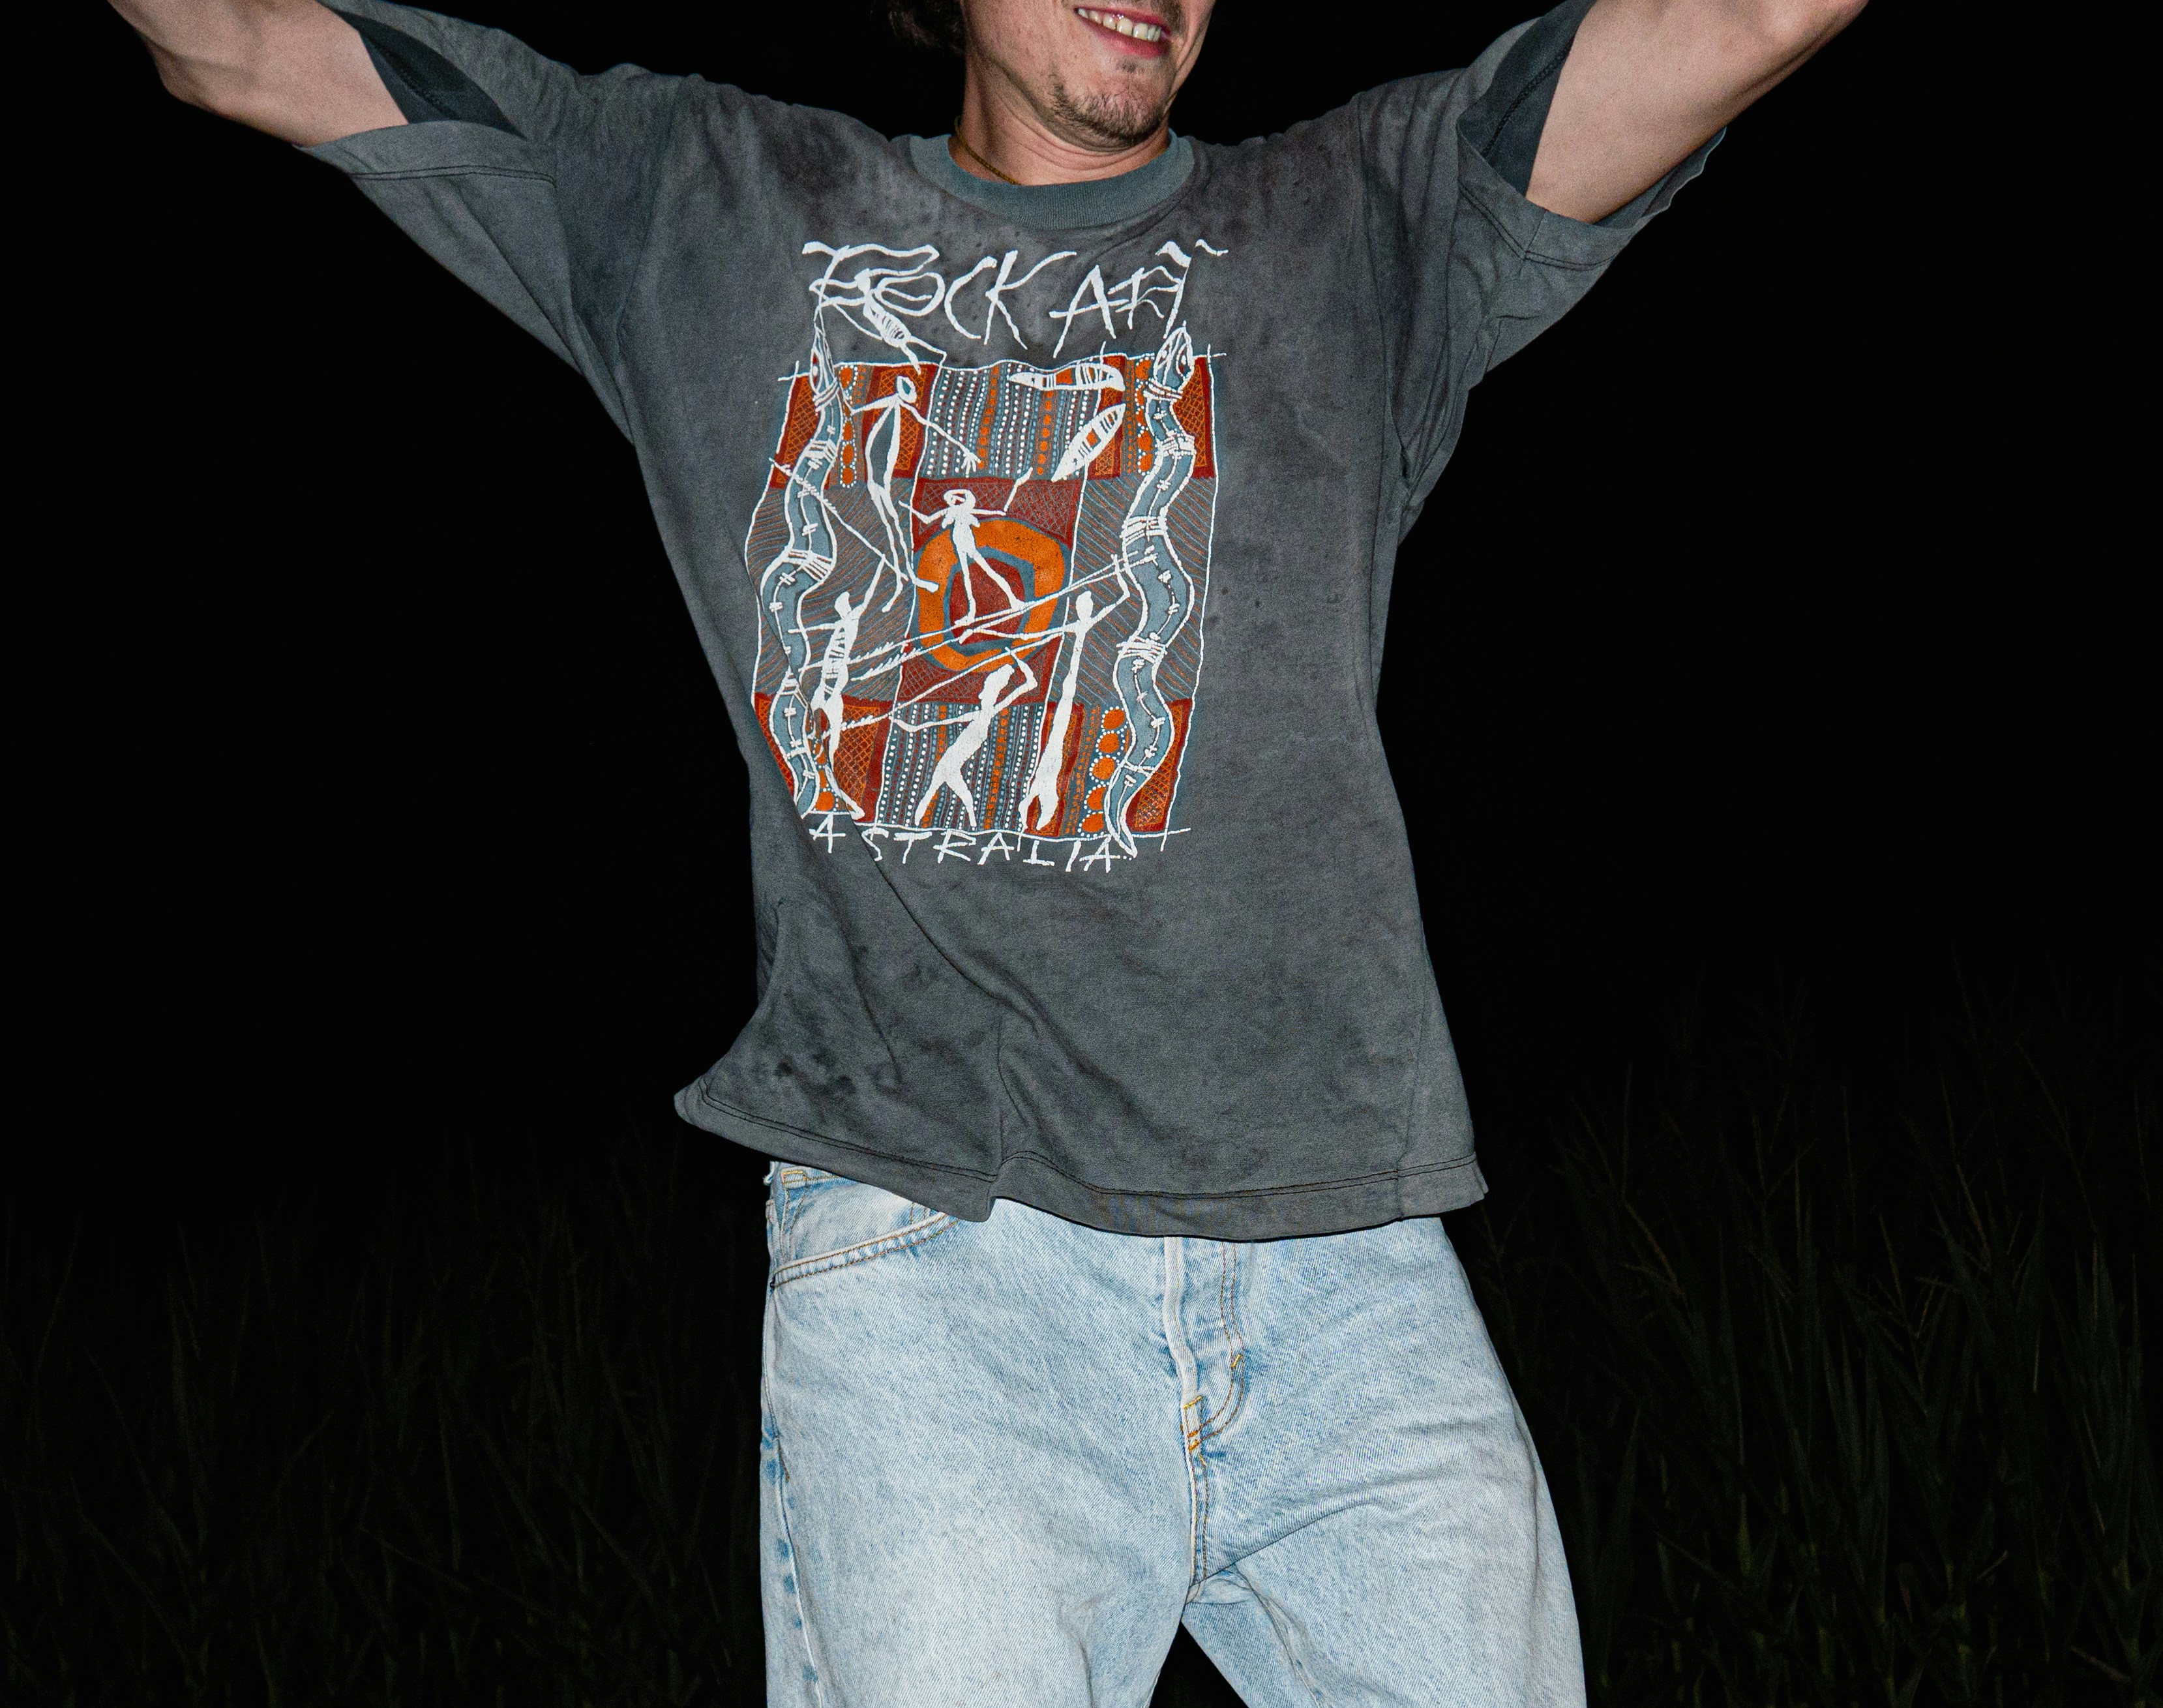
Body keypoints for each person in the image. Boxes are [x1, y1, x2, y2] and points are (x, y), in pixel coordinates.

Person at [106, 0, 1868, 1700]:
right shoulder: (698, 196)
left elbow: (1738, 20)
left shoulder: (1366, 214)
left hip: (1345, 1262)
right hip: (939, 1268)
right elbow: (234, 38)